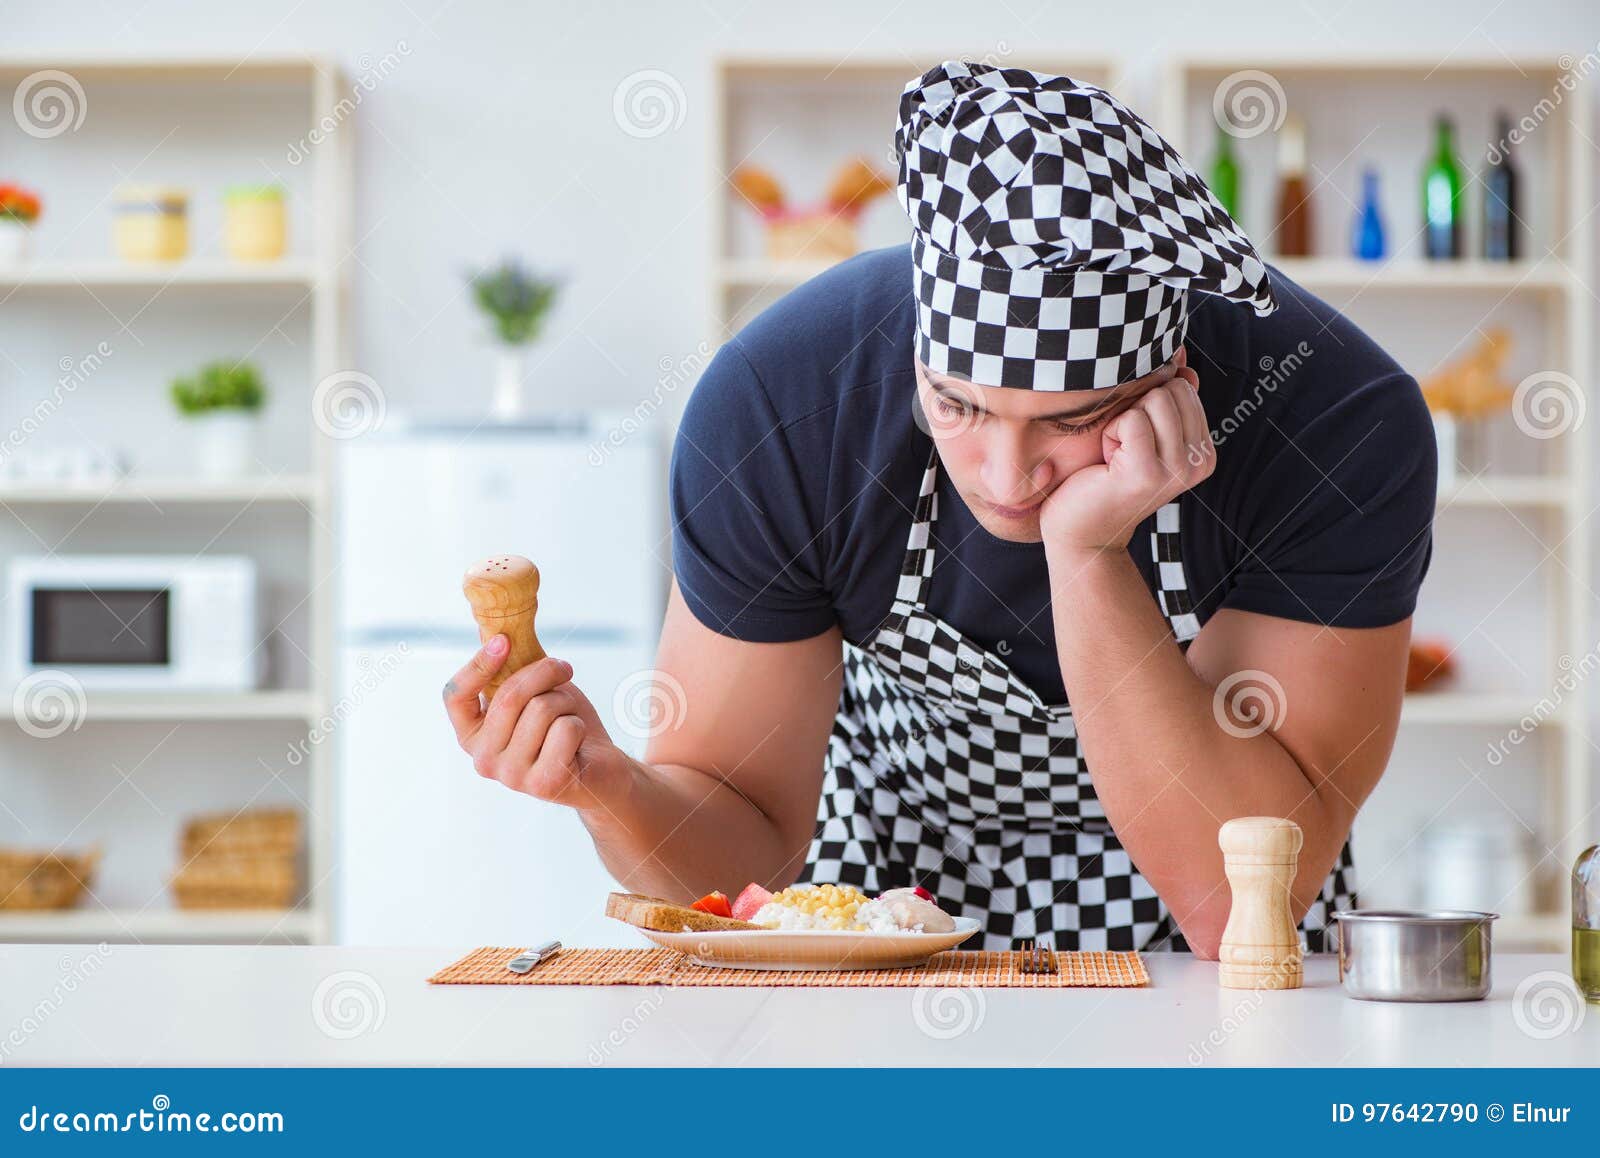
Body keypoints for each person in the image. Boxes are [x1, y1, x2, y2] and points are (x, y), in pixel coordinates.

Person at [444, 62, 1435, 955]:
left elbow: (1234, 905)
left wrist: (1087, 556)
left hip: (1208, 979)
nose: (1005, 478)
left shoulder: (1335, 422)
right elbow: (737, 848)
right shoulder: (785, 405)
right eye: (956, 406)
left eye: (1072, 421)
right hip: (877, 930)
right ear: (915, 354)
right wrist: (605, 787)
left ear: (1173, 373)